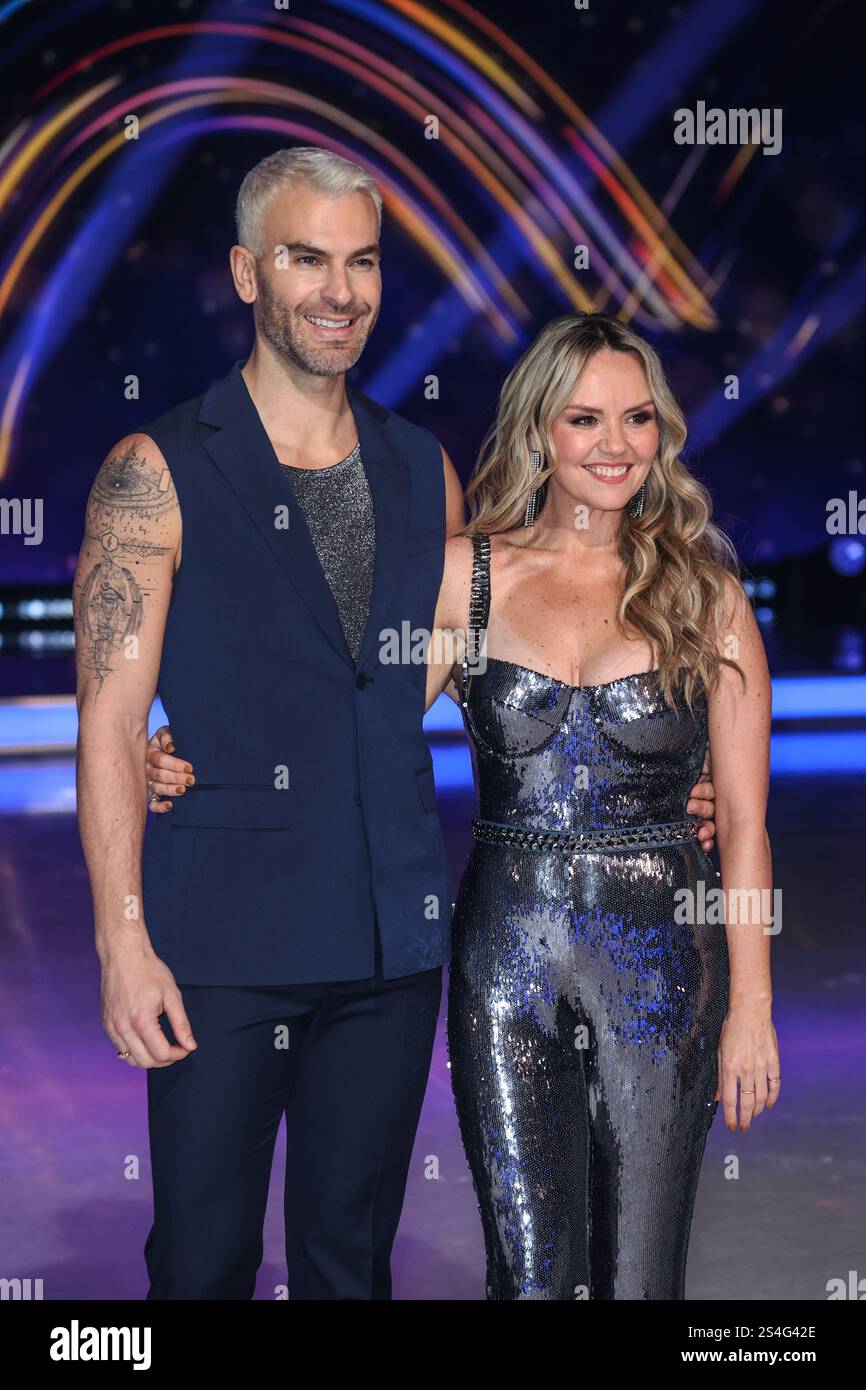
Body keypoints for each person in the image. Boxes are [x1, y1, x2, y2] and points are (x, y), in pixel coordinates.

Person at [75, 145, 469, 1300]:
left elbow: (423, 672)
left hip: (391, 943)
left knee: (350, 1268)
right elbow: (105, 720)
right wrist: (120, 938)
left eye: (361, 261)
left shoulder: (420, 467)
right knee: (199, 1268)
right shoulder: (155, 468)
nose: (338, 289)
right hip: (219, 950)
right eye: (307, 258)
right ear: (249, 274)